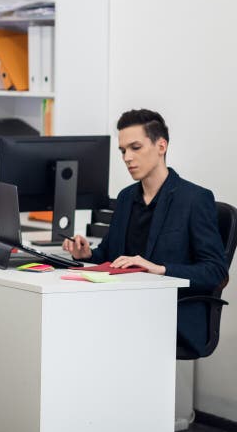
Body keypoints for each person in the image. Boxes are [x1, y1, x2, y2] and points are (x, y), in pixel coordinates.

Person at [62, 109, 228, 355]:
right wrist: (86, 255)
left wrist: (158, 268)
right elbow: (110, 255)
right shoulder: (126, 197)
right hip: (126, 306)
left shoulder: (194, 199)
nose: (127, 157)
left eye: (135, 147)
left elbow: (215, 272)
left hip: (170, 313)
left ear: (161, 146)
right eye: (123, 151)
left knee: (84, 333)